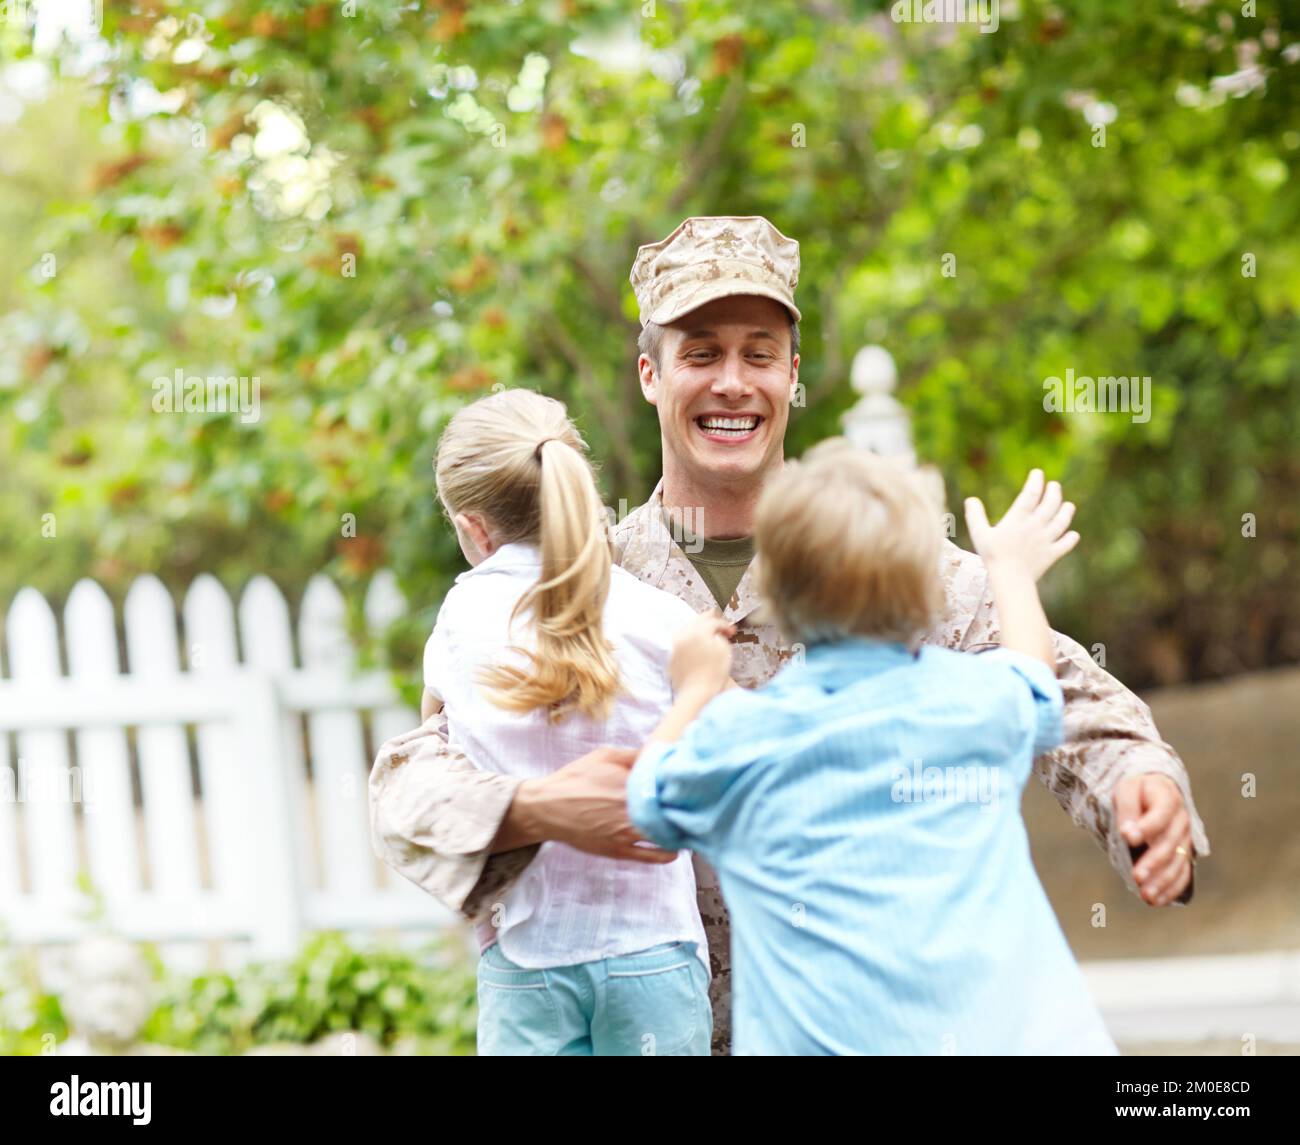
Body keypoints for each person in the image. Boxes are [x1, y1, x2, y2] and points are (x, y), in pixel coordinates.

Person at [370, 215, 1211, 1055]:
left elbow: (1055, 685)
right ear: (649, 375)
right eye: (701, 353)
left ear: (793, 376)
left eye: (759, 354)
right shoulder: (576, 582)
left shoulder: (884, 564)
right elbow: (411, 784)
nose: (733, 383)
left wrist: (1138, 778)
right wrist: (534, 806)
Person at [627, 445, 1118, 1054]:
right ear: (926, 596)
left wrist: (696, 689)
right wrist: (1009, 570)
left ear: (774, 595)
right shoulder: (975, 704)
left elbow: (648, 803)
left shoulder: (742, 741)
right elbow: (1038, 684)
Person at [422, 387, 715, 1055]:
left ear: (474, 528)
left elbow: (434, 762)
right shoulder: (659, 615)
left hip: (527, 958)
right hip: (656, 955)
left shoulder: (459, 621)